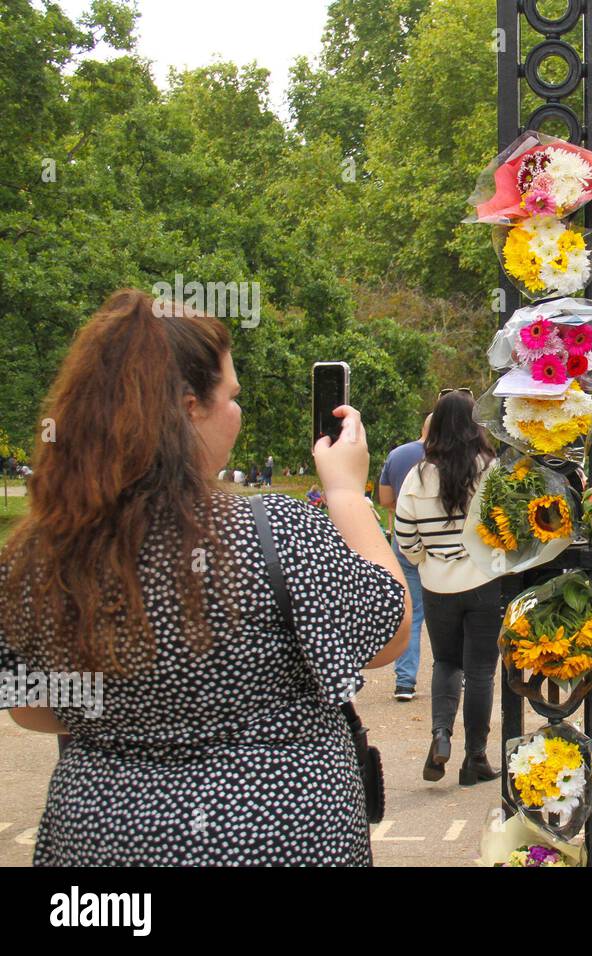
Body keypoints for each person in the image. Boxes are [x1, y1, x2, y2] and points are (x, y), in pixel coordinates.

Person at [0, 289, 412, 866]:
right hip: (276, 832)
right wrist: (345, 494)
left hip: (102, 838)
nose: (237, 411)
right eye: (231, 395)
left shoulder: (36, 553)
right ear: (192, 407)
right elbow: (388, 634)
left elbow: (30, 707)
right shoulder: (273, 530)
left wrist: (139, 717)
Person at [394, 390, 502, 787]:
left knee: (446, 664)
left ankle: (440, 734)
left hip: (438, 585)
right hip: (484, 581)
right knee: (479, 672)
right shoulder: (489, 468)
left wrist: (426, 558)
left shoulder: (419, 474)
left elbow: (404, 532)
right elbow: (502, 522)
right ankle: (475, 757)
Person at [377, 414, 434, 702]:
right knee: (444, 612)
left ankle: (405, 681)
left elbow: (385, 499)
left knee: (412, 613)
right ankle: (451, 674)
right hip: (443, 543)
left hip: (405, 535)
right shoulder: (455, 455)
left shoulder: (398, 455)